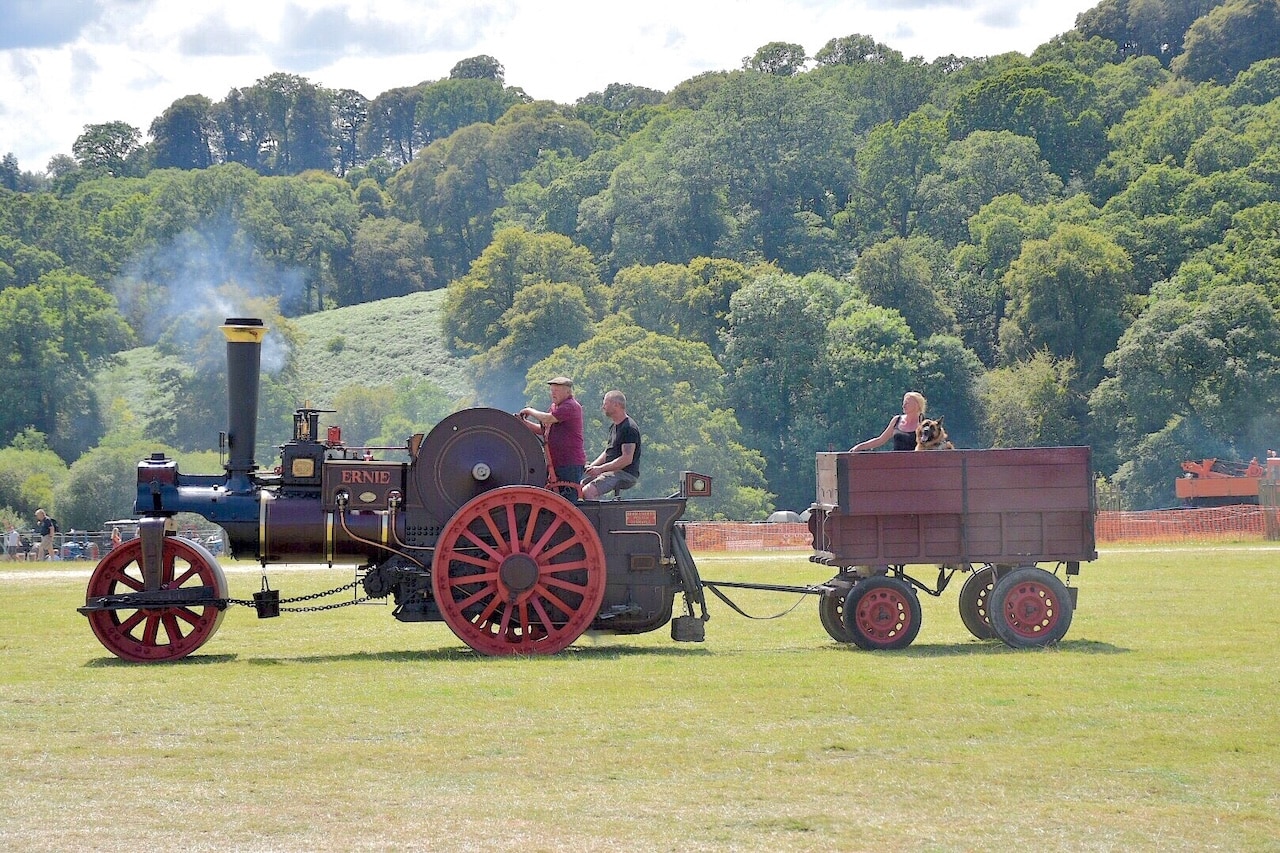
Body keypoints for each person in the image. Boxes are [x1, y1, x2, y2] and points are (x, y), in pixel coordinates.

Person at [519, 376, 586, 497]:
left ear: (568, 391)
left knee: (568, 502)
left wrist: (529, 410)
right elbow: (544, 430)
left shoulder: (570, 406)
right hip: (556, 462)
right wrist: (523, 423)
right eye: (552, 390)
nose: (553, 394)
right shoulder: (555, 407)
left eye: (557, 391)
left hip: (569, 463)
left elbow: (546, 418)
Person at [582, 390, 641, 500]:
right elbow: (607, 452)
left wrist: (600, 469)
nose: (603, 407)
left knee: (588, 491)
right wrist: (591, 467)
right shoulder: (614, 427)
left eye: (606, 403)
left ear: (616, 405)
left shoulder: (629, 428)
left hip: (625, 473)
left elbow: (626, 459)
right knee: (579, 486)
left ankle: (594, 517)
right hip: (612, 471)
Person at [850, 391, 928, 452]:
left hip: (917, 467)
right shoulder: (896, 420)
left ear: (917, 405)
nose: (903, 406)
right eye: (903, 403)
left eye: (907, 403)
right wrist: (859, 447)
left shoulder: (925, 425)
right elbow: (880, 440)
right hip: (896, 465)